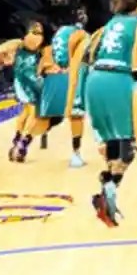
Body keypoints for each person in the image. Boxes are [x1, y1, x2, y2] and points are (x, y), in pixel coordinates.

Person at [78, 0, 137, 227]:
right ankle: (107, 191)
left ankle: (107, 198)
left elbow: (89, 55)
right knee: (127, 148)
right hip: (117, 79)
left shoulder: (109, 24)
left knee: (112, 144)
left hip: (94, 79)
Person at [0, 20, 50, 163]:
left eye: (40, 33)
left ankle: (18, 140)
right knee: (35, 111)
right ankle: (23, 143)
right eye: (35, 32)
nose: (38, 36)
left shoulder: (38, 50)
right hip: (23, 80)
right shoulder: (18, 44)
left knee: (27, 111)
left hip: (33, 79)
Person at [46, 13, 90, 167]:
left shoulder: (58, 33)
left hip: (56, 72)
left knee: (56, 113)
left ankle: (26, 139)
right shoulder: (78, 32)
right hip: (74, 71)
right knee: (77, 113)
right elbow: (79, 46)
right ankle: (76, 154)